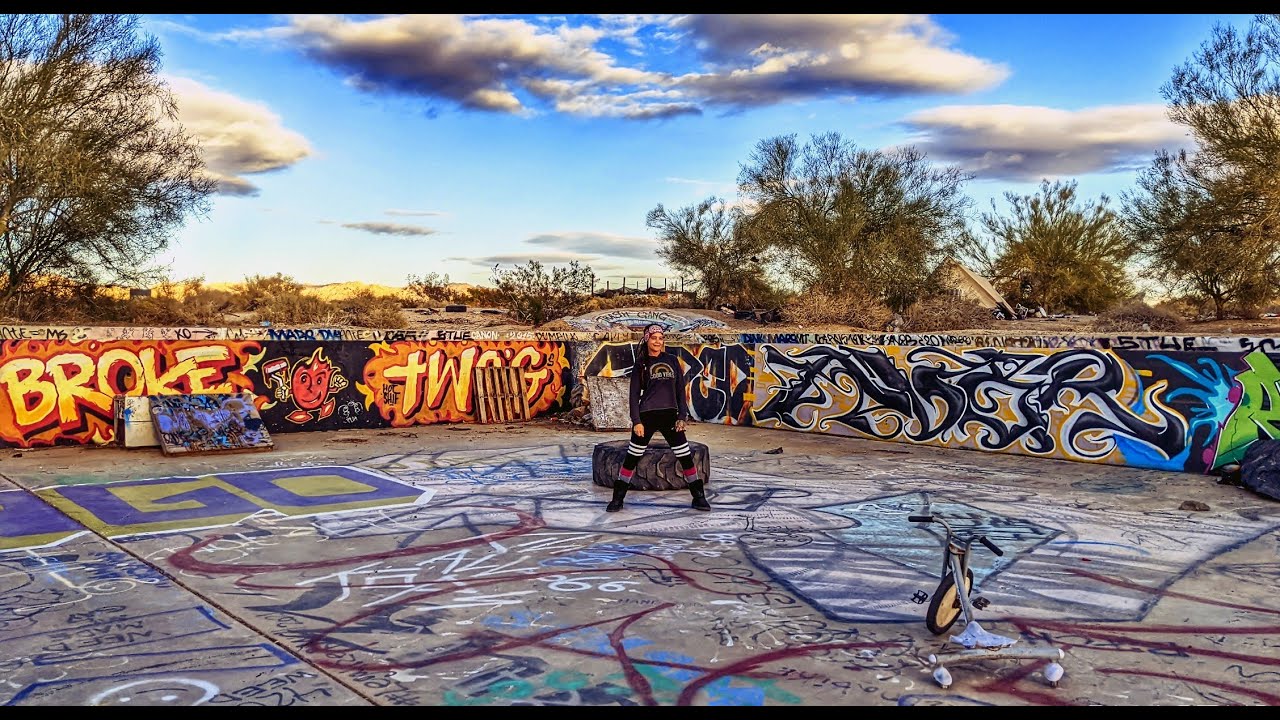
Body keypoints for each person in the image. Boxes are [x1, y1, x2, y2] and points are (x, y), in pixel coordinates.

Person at [606, 323, 711, 512]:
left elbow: (680, 390)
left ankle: (699, 497)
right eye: (654, 338)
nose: (658, 341)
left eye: (661, 338)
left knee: (685, 456)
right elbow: (633, 394)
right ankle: (618, 499)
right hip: (647, 416)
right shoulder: (641, 363)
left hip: (670, 416)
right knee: (633, 456)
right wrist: (636, 421)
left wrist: (681, 416)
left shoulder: (671, 360)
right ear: (647, 339)